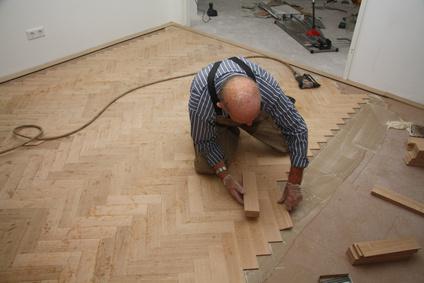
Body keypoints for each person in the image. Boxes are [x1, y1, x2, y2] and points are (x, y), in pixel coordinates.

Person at [188, 56, 308, 211]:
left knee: (287, 143)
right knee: (206, 166)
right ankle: (228, 129)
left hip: (248, 111)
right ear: (221, 106)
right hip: (219, 120)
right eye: (244, 121)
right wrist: (225, 177)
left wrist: (294, 182)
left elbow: (297, 129)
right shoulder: (200, 100)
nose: (249, 125)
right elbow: (204, 141)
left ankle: (250, 116)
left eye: (251, 119)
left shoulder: (266, 86)